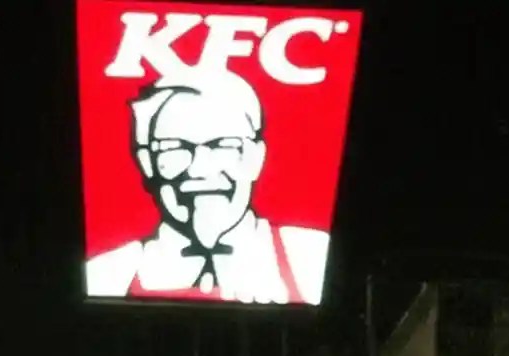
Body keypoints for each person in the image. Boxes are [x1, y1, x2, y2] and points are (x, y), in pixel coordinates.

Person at [86, 70, 329, 304]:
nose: (200, 169)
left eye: (224, 145)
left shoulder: (314, 258)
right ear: (147, 163)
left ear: (256, 157)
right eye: (174, 147)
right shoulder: (106, 275)